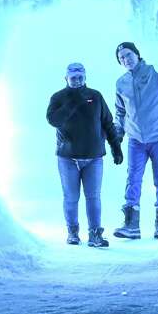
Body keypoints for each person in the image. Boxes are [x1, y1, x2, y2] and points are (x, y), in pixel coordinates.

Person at [46, 62, 123, 247]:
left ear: (85, 77)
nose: (77, 81)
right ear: (66, 78)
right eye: (73, 78)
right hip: (68, 158)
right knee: (71, 197)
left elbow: (107, 122)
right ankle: (72, 232)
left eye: (80, 77)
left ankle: (95, 234)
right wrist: (73, 102)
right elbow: (53, 120)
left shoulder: (95, 96)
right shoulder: (58, 97)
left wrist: (116, 147)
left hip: (94, 157)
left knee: (93, 196)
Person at [111, 41, 158, 239]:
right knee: (133, 179)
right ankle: (131, 225)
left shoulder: (154, 73)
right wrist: (118, 135)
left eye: (128, 55)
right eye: (121, 58)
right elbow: (120, 112)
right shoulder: (121, 83)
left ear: (137, 54)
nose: (125, 59)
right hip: (136, 139)